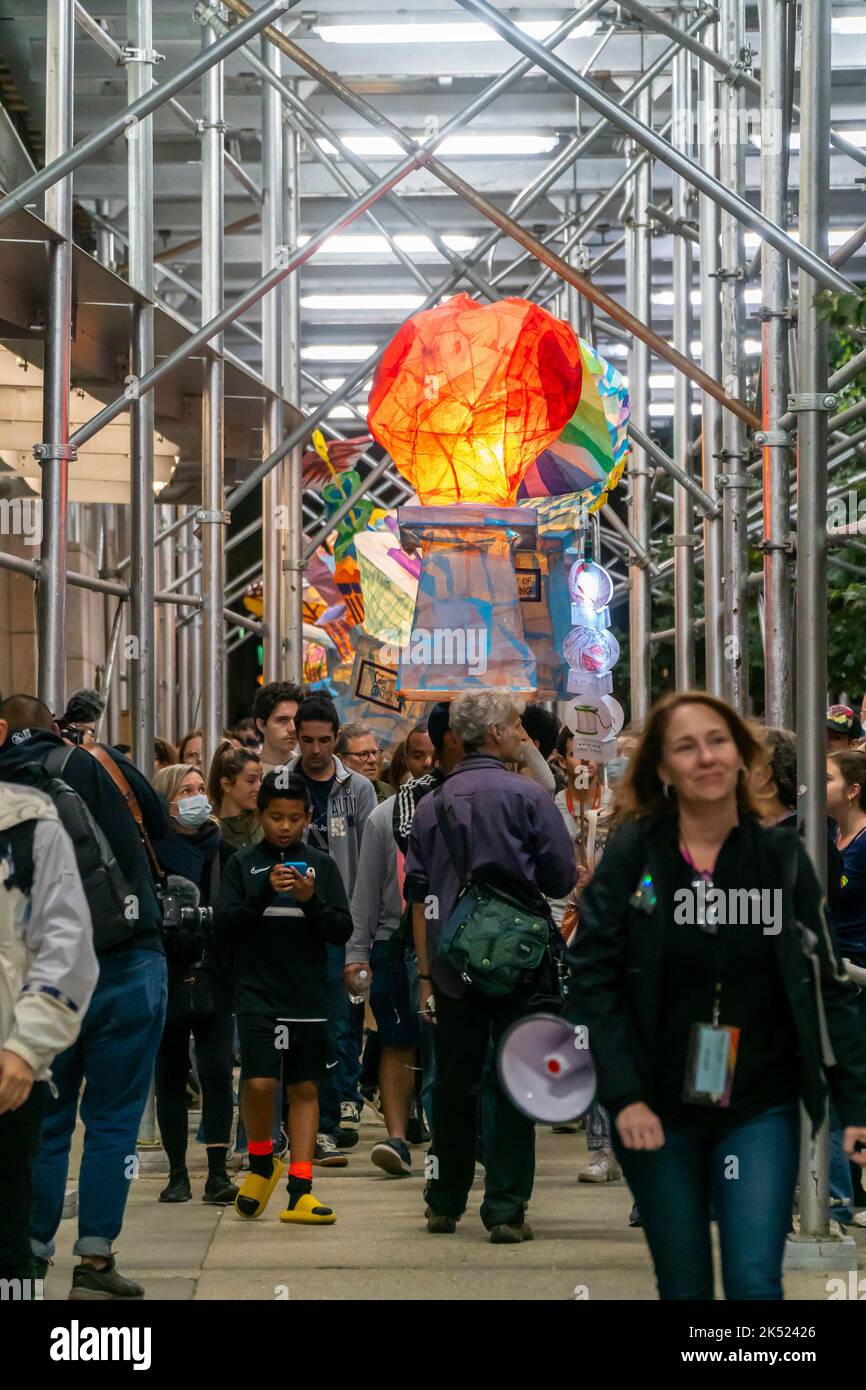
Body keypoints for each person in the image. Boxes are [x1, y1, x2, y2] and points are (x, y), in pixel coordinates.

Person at [565, 690, 866, 1300]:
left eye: (718, 740)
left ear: (741, 757)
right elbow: (592, 976)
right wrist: (624, 1097)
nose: (705, 756)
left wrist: (855, 1104)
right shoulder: (637, 855)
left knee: (755, 1281)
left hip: (763, 1101)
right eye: (685, 746)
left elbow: (824, 979)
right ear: (663, 768)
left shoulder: (780, 856)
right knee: (685, 1285)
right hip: (657, 1104)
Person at [0, 693, 168, 1300]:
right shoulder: (94, 762)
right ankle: (94, 1262)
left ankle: (29, 1258)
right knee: (113, 1121)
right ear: (57, 728)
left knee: (43, 1123)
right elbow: (162, 830)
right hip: (127, 958)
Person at [405, 691, 576, 1243]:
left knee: (454, 1081)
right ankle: (504, 1208)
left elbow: (418, 887)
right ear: (498, 734)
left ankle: (444, 1200)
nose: (522, 735)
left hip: (455, 963)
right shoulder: (528, 796)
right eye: (516, 727)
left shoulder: (433, 804)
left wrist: (428, 971)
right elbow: (559, 878)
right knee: (514, 1078)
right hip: (520, 961)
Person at [216, 772, 352, 1225]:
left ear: (308, 817)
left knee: (304, 1087)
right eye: (276, 817)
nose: (285, 827)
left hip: (307, 995)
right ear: (260, 815)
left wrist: (312, 900)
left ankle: (301, 1187)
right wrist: (261, 894)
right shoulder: (241, 863)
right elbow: (228, 926)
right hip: (256, 992)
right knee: (258, 1083)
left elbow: (340, 930)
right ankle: (259, 1165)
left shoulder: (321, 866)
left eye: (294, 818)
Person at [346, 703, 462, 1175]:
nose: (426, 763)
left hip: (452, 943)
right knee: (397, 1041)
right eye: (417, 756)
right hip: (394, 943)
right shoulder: (384, 818)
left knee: (442, 1047)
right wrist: (357, 953)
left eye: (434, 753)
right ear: (406, 761)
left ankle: (443, 1136)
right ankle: (396, 1138)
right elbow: (366, 894)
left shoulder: (470, 805)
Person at [0, 761, 98, 1289]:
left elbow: (65, 946)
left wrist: (26, 1049)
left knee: (7, 1243)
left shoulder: (29, 827)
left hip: (9, 1070)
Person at [283, 696, 377, 1160]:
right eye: (307, 741)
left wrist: (363, 924)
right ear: (296, 738)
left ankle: (335, 1111)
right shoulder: (281, 781)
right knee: (299, 1019)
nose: (315, 750)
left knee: (340, 1020)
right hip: (290, 921)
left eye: (324, 740)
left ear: (336, 737)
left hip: (341, 919)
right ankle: (305, 1116)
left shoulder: (356, 788)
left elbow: (367, 856)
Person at [150, 763, 233, 1206]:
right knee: (170, 1074)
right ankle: (177, 1171)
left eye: (201, 788)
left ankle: (217, 1171)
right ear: (167, 801)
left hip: (215, 973)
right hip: (167, 972)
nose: (198, 796)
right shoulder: (152, 853)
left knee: (218, 1070)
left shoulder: (224, 850)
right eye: (186, 790)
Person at [207, 740, 264, 869]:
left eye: (261, 779)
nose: (259, 787)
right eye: (251, 781)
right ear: (226, 785)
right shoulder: (208, 829)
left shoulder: (264, 824)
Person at [252, 681, 304, 774]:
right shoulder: (247, 772)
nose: (293, 728)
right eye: (282, 720)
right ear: (261, 725)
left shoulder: (307, 770)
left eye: (296, 720)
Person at [336, 722, 390, 802]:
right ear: (340, 760)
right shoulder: (328, 794)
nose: (373, 760)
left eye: (374, 752)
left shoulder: (392, 794)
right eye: (363, 754)